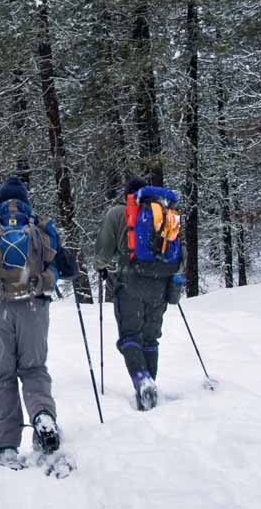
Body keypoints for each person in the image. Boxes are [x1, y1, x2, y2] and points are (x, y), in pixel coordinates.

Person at [0, 176, 77, 469]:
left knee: (3, 374)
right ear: (25, 201)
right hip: (33, 306)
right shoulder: (40, 226)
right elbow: (69, 268)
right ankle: (42, 415)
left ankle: (7, 446)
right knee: (34, 368)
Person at [94, 176, 185, 411]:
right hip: (160, 284)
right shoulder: (164, 213)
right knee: (150, 338)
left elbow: (104, 251)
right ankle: (149, 389)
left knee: (130, 336)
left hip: (130, 282)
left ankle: (143, 382)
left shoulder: (118, 213)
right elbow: (177, 252)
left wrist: (100, 266)